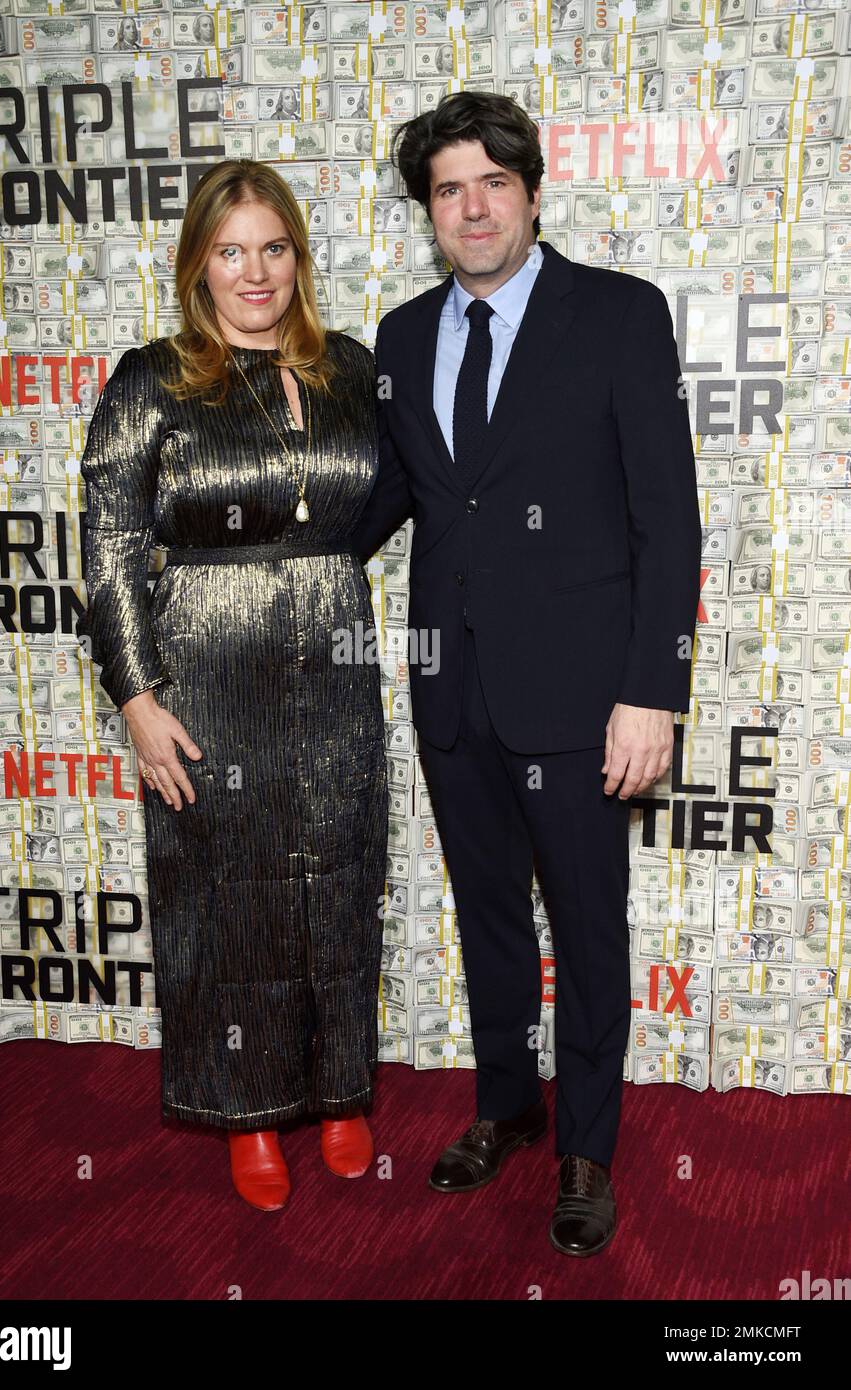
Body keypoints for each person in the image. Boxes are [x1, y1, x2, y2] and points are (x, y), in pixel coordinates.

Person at [349, 92, 702, 1256]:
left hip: (582, 697)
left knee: (587, 927)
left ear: (533, 192)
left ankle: (586, 1149)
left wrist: (651, 691)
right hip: (452, 689)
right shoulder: (403, 336)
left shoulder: (617, 314)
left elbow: (667, 519)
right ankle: (506, 1105)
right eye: (448, 190)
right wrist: (260, 544)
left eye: (492, 183)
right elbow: (396, 499)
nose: (472, 208)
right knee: (487, 913)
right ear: (429, 211)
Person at [76, 159, 388, 1212]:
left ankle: (340, 1089)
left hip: (336, 656)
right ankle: (246, 1111)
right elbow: (110, 550)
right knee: (226, 893)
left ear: (298, 257)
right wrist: (137, 698)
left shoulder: (350, 370)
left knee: (339, 875)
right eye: (230, 252)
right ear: (197, 266)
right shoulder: (151, 381)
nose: (254, 272)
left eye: (273, 248)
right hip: (207, 667)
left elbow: (392, 495)